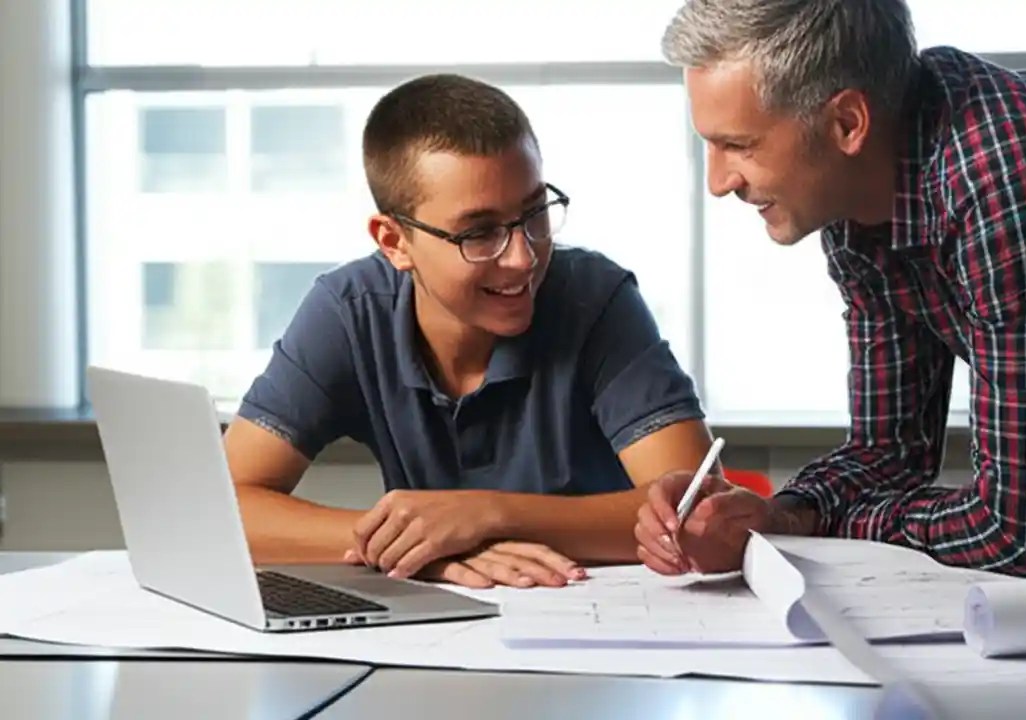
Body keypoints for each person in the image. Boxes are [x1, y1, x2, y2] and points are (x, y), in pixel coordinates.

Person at [636, 0, 1026, 578]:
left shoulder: (1019, 190)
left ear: (848, 122)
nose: (719, 181)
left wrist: (820, 523)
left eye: (737, 145)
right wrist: (778, 512)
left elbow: (1019, 535)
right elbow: (887, 454)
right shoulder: (857, 199)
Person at [225, 74, 715, 589]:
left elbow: (696, 505)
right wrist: (417, 544)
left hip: (594, 609)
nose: (523, 256)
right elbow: (221, 505)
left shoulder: (595, 298)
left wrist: (488, 515)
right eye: (479, 233)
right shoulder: (348, 312)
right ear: (394, 242)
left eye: (535, 214)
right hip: (438, 624)